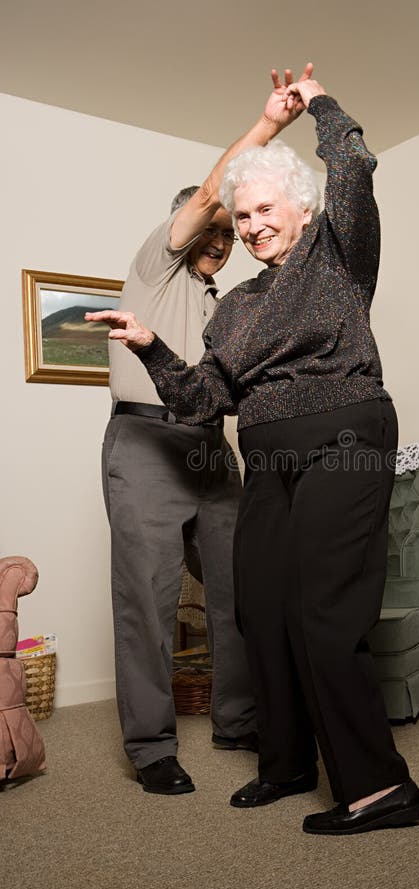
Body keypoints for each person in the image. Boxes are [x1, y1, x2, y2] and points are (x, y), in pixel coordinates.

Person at [87, 68, 419, 834]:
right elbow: (203, 400)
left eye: (265, 209)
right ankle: (285, 763)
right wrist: (148, 346)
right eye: (242, 216)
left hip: (344, 438)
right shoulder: (233, 308)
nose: (251, 225)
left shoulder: (337, 253)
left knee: (323, 614)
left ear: (302, 209)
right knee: (261, 612)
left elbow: (353, 163)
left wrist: (318, 104)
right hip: (268, 460)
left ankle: (381, 788)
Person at [100, 64, 313, 796]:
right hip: (145, 448)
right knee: (148, 601)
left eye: (231, 234)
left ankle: (237, 719)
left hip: (210, 451)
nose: (224, 239)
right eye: (215, 227)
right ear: (188, 227)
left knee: (239, 591)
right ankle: (152, 746)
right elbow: (211, 196)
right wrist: (269, 128)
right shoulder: (153, 268)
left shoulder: (227, 304)